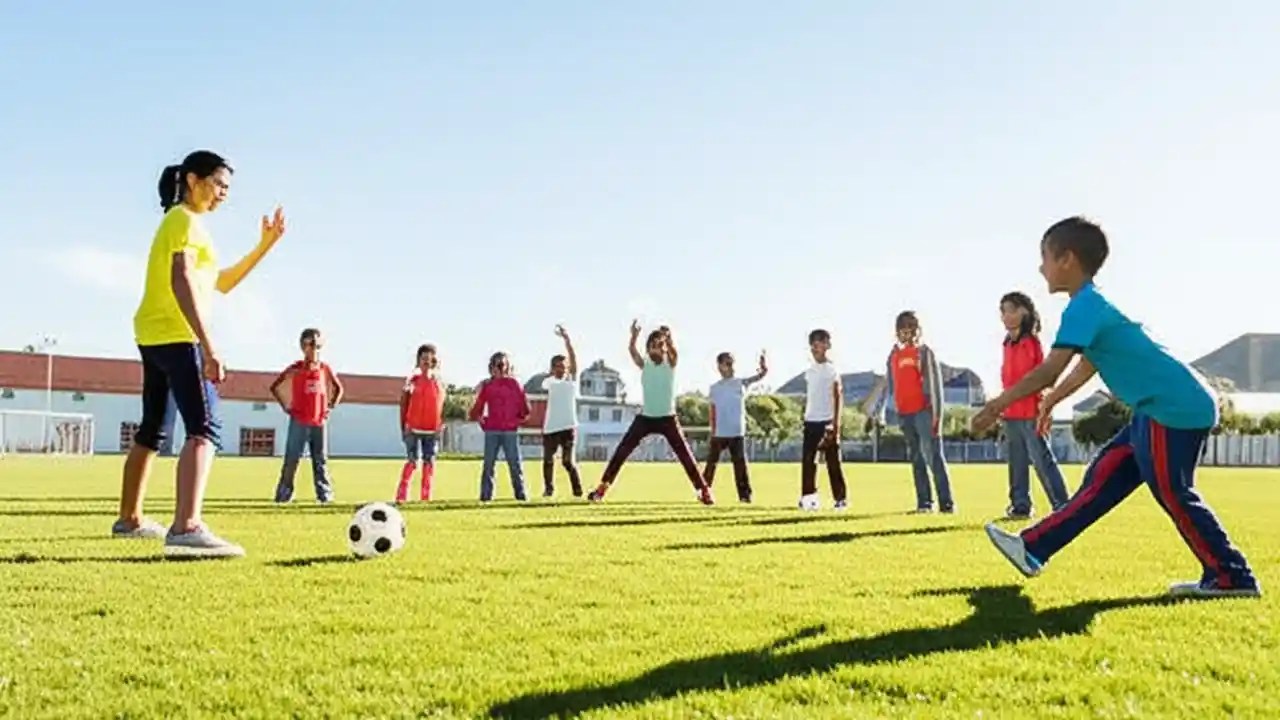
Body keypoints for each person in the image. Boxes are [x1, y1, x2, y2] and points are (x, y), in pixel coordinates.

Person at [974, 216, 1260, 598]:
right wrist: (1051, 402)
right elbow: (1087, 365)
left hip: (1172, 408)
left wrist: (996, 404)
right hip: (1154, 410)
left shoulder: (1085, 308)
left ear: (1067, 260)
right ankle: (1032, 549)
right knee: (1103, 478)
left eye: (1044, 257)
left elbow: (1049, 370)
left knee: (1174, 493)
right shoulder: (1089, 307)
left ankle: (1231, 576)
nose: (1040, 267)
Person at [112, 150, 286, 559]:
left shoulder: (186, 225)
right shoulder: (184, 220)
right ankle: (186, 526)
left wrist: (264, 246)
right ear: (193, 180)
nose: (224, 193)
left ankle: (130, 519)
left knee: (153, 429)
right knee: (204, 428)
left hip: (154, 334)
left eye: (228, 188)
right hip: (177, 336)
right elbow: (181, 277)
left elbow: (221, 283)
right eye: (219, 183)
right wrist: (208, 346)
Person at [587, 322, 713, 505]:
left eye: (660, 345)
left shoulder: (670, 364)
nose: (656, 349)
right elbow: (632, 351)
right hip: (646, 418)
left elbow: (674, 352)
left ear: (665, 348)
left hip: (668, 418)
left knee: (685, 455)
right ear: (648, 349)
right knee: (621, 452)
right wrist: (634, 336)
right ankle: (602, 489)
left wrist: (668, 339)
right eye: (653, 345)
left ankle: (703, 490)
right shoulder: (645, 364)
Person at [862, 311, 954, 513]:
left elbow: (935, 385)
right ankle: (924, 503)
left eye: (912, 329)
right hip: (905, 414)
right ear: (897, 332)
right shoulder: (893, 356)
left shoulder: (924, 353)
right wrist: (878, 413)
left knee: (934, 456)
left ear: (917, 331)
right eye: (903, 330)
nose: (908, 334)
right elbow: (888, 385)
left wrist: (937, 416)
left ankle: (946, 503)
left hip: (925, 412)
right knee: (916, 458)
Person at [998, 292, 1070, 518]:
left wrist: (1045, 409)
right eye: (1002, 311)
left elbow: (1043, 378)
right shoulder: (1007, 343)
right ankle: (1020, 505)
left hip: (1031, 412)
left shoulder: (1032, 343)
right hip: (1011, 413)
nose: (1006, 316)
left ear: (1024, 312)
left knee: (1042, 460)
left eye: (1010, 310)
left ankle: (1062, 505)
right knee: (1016, 462)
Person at [270, 328, 343, 504]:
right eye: (310, 344)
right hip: (299, 420)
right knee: (292, 459)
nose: (314, 349)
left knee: (320, 460)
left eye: (318, 345)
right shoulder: (295, 369)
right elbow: (275, 387)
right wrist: (286, 406)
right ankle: (284, 495)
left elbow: (338, 388)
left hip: (319, 421)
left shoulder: (325, 369)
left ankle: (325, 495)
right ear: (303, 346)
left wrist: (329, 407)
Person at [704, 350, 768, 503]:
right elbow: (712, 411)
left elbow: (759, 376)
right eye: (727, 363)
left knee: (740, 466)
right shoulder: (714, 388)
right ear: (719, 366)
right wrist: (713, 431)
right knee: (711, 465)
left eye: (732, 363)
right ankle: (703, 491)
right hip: (719, 432)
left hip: (736, 432)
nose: (730, 367)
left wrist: (763, 367)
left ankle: (745, 496)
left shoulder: (740, 383)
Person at [470, 352, 531, 502]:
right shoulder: (488, 386)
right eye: (497, 365)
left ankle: (520, 494)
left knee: (514, 464)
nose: (500, 369)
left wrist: (517, 420)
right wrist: (481, 420)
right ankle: (485, 496)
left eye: (503, 365)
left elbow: (525, 408)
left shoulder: (515, 384)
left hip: (510, 430)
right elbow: (477, 408)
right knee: (489, 464)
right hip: (492, 430)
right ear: (491, 367)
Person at [799, 329, 848, 511]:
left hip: (827, 421)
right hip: (810, 421)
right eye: (813, 345)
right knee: (808, 461)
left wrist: (835, 424)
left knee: (833, 462)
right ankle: (808, 497)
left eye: (820, 344)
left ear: (827, 345)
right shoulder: (809, 372)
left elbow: (838, 397)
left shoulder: (832, 370)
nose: (816, 348)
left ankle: (840, 498)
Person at [398, 344, 445, 503]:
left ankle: (425, 497)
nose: (426, 361)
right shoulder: (412, 381)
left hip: (432, 430)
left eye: (430, 358)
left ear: (434, 361)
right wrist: (403, 426)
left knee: (429, 463)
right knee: (412, 461)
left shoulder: (439, 383)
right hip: (413, 428)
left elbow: (441, 405)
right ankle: (402, 495)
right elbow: (403, 404)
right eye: (423, 358)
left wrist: (439, 427)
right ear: (418, 361)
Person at [540, 325, 584, 498]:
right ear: (552, 368)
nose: (561, 369)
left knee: (567, 462)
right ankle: (549, 490)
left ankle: (577, 490)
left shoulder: (571, 382)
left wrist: (567, 339)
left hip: (568, 428)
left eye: (563, 366)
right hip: (551, 428)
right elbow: (547, 380)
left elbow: (574, 360)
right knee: (548, 461)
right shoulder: (548, 382)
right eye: (557, 366)